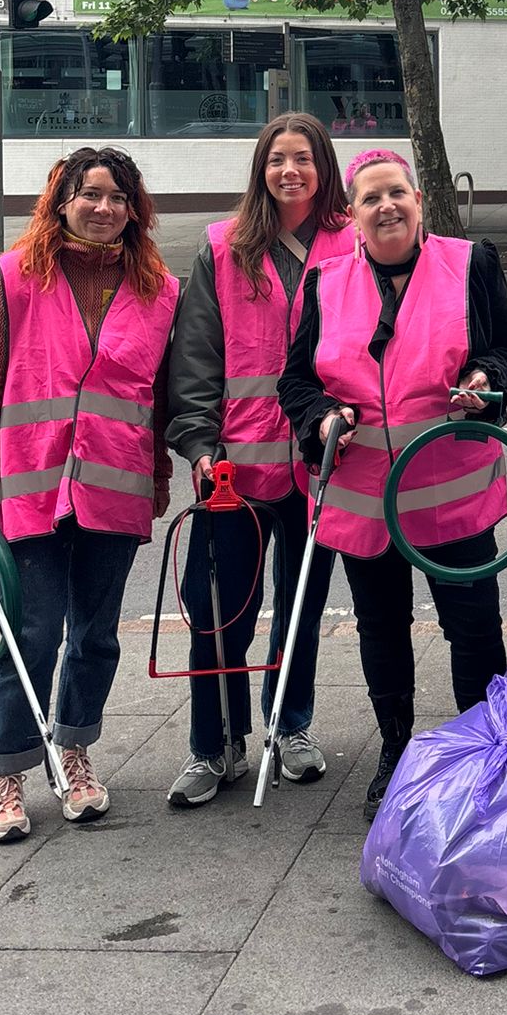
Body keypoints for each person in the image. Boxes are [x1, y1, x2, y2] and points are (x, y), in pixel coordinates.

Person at [279, 147, 507, 820]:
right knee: (381, 627)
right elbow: (295, 380)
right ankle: (396, 748)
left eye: (398, 194)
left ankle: (487, 748)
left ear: (419, 202)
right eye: (371, 198)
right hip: (366, 501)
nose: (386, 206)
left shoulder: (470, 262)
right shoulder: (324, 283)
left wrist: (485, 378)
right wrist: (323, 416)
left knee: (473, 627)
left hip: (453, 492)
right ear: (352, 216)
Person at [0, 148, 179, 843]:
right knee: (35, 632)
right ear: (61, 201)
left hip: (117, 486)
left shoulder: (161, 290)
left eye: (118, 197)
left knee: (97, 636)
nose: (105, 208)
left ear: (135, 210)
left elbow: (160, 398)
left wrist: (160, 475)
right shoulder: (10, 279)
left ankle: (72, 751)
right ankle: (5, 771)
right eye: (90, 195)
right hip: (32, 487)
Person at [164, 114, 356, 807]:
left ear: (323, 167)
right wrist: (198, 444)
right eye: (278, 160)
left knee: (299, 608)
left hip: (321, 465)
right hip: (233, 470)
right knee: (218, 615)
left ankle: (288, 726)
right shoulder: (221, 246)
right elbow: (196, 361)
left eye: (303, 159)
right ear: (260, 169)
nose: (290, 172)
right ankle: (214, 745)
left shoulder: (352, 242)